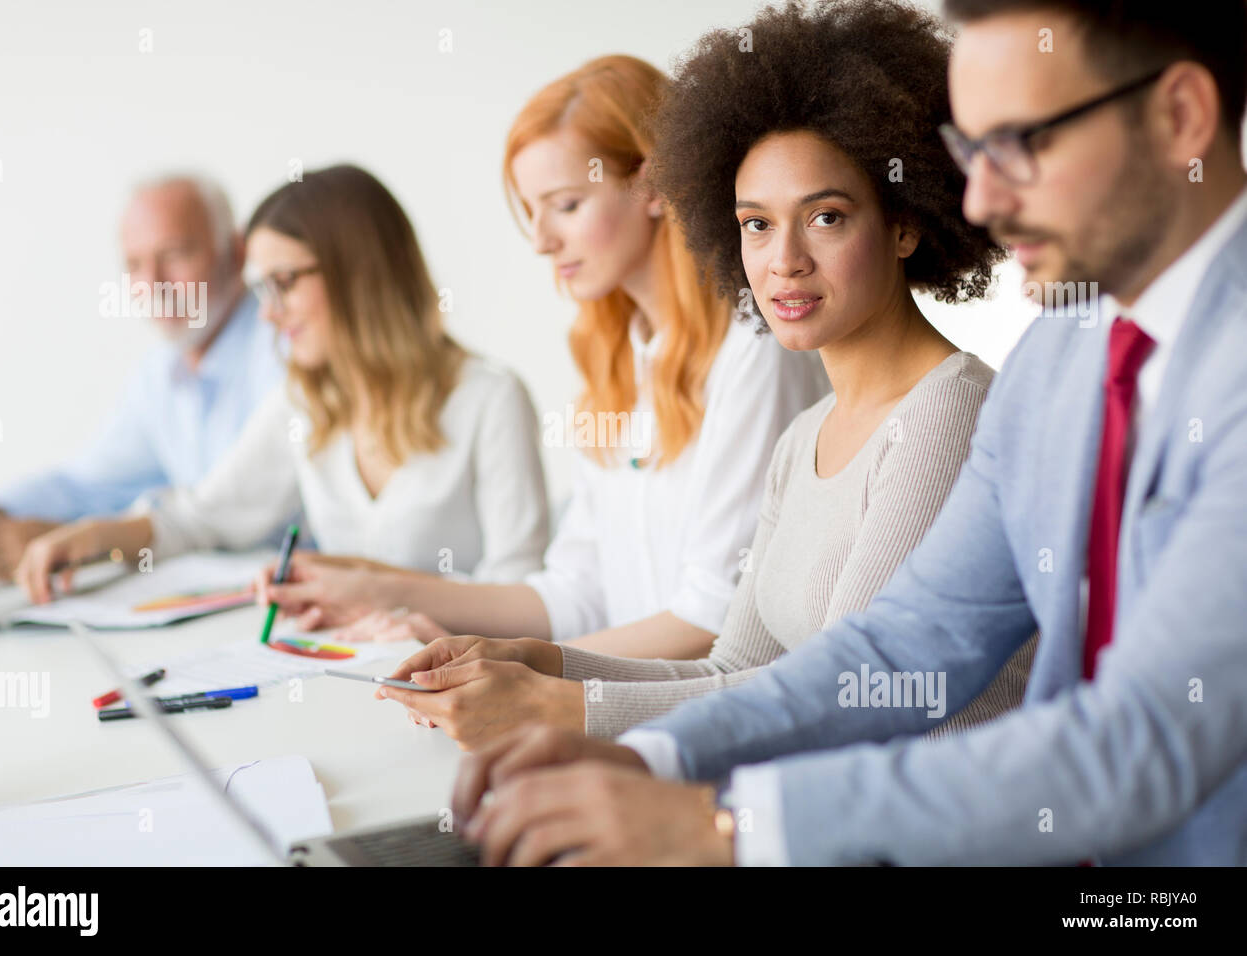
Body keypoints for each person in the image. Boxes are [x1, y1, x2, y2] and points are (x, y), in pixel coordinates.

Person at [448, 0, 1247, 867]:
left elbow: (1143, 745)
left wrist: (730, 827)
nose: (980, 197)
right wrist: (649, 752)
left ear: (1181, 116)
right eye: (971, 154)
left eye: (1020, 143)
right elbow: (910, 642)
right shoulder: (1058, 354)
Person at [380, 0, 1036, 748]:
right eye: (756, 223)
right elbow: (738, 663)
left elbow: (843, 697)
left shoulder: (946, 415)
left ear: (906, 223)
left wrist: (560, 708)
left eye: (825, 216)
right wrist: (542, 664)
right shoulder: (805, 436)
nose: (783, 258)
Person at [263, 56, 828, 658]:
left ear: (655, 187)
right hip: (632, 707)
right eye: (532, 212)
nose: (541, 241)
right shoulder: (619, 358)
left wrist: (517, 667)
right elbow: (573, 592)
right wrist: (385, 593)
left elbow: (711, 619)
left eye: (565, 205)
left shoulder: (755, 347)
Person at [14, 164, 549, 604]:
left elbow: (524, 597)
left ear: (358, 272)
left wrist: (382, 591)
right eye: (261, 290)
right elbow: (205, 517)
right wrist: (98, 535)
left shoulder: (490, 399)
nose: (268, 315)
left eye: (284, 284)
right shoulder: (305, 401)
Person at [0, 175, 280, 588]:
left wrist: (98, 537)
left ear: (235, 252)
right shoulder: (161, 372)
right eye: (135, 265)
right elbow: (88, 484)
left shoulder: (285, 344)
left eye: (174, 254)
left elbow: (217, 511)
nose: (154, 284)